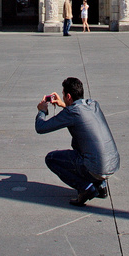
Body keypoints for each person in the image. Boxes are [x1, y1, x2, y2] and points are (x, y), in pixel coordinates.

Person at [35, 76, 120, 206]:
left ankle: (85, 188)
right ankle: (101, 186)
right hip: (112, 163)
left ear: (68, 96)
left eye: (63, 95)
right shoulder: (93, 104)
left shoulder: (71, 112)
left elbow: (41, 128)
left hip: (95, 166)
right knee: (80, 143)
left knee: (51, 158)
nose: (62, 97)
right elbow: (80, 114)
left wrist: (42, 111)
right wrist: (63, 105)